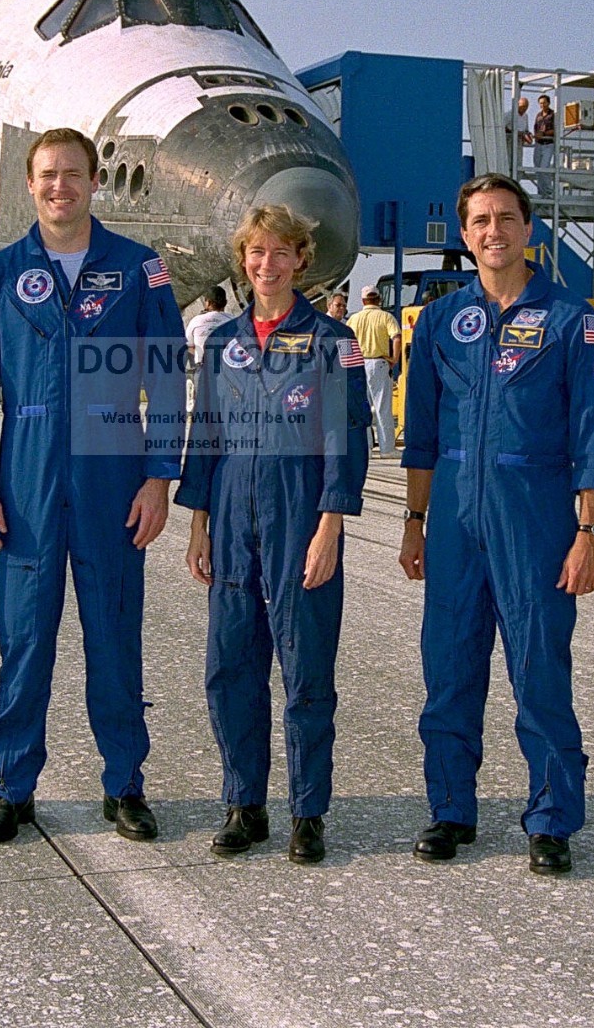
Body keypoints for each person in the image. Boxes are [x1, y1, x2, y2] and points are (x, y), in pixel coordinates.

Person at [0, 127, 185, 845]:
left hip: (111, 466)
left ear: (95, 182)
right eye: (48, 175)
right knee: (25, 639)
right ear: (30, 184)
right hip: (26, 476)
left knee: (114, 638)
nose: (61, 186)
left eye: (73, 174)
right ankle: (12, 786)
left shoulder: (139, 268)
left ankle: (125, 784)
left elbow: (167, 376)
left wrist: (160, 476)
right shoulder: (0, 275)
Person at [399, 174, 594, 875]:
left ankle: (551, 818)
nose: (492, 231)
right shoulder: (441, 321)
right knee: (449, 670)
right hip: (455, 522)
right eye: (479, 221)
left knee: (539, 673)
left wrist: (589, 534)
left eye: (505, 218)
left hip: (536, 519)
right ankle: (449, 809)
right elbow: (422, 435)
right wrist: (414, 521)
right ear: (465, 235)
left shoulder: (571, 319)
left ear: (528, 229)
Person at [178, 205, 370, 863]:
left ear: (300, 260)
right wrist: (199, 523)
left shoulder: (333, 339)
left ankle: (307, 812)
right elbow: (204, 432)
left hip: (300, 511)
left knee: (306, 666)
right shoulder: (222, 343)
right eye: (257, 252)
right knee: (231, 665)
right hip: (232, 511)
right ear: (244, 260)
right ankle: (244, 805)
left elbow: (346, 437)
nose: (268, 264)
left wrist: (330, 526)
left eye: (281, 252)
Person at [349, 285, 402, 456]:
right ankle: (387, 449)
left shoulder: (354, 319)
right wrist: (394, 358)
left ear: (363, 300)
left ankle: (367, 448)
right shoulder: (386, 317)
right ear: (379, 299)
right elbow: (397, 338)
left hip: (358, 364)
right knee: (382, 408)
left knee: (362, 407)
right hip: (379, 363)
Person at [185, 286, 232, 368]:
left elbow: (189, 346)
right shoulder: (234, 320)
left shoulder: (196, 321)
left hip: (203, 367)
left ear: (208, 303)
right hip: (228, 366)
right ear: (225, 303)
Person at [505, 96, 532, 170]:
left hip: (519, 142)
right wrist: (514, 132)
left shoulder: (525, 116)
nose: (524, 108)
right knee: (509, 161)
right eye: (522, 106)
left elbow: (526, 129)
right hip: (509, 141)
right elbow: (502, 126)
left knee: (518, 161)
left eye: (526, 106)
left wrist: (528, 135)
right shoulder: (509, 114)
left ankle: (517, 176)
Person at [532, 95, 557, 170]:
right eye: (540, 103)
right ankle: (540, 178)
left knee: (544, 166)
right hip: (538, 144)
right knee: (537, 166)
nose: (542, 105)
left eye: (544, 103)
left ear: (548, 103)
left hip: (548, 144)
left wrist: (543, 134)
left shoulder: (553, 114)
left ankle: (545, 179)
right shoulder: (538, 115)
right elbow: (536, 128)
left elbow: (556, 129)